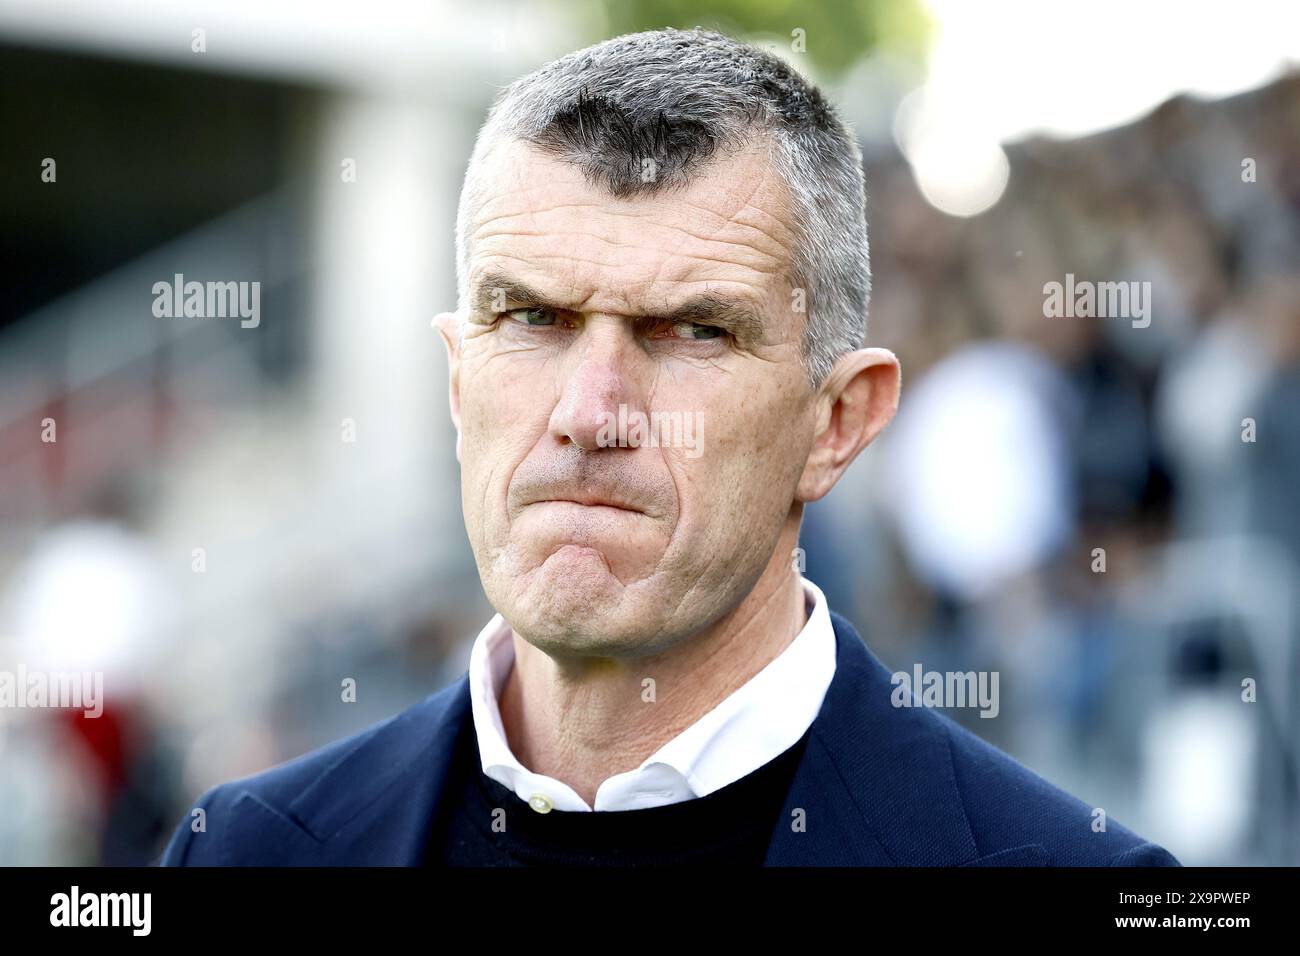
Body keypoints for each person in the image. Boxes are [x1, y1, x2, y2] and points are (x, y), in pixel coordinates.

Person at [161, 27, 1178, 866]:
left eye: (692, 331)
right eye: (530, 318)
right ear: (457, 381)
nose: (591, 411)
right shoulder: (245, 852)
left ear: (836, 423)